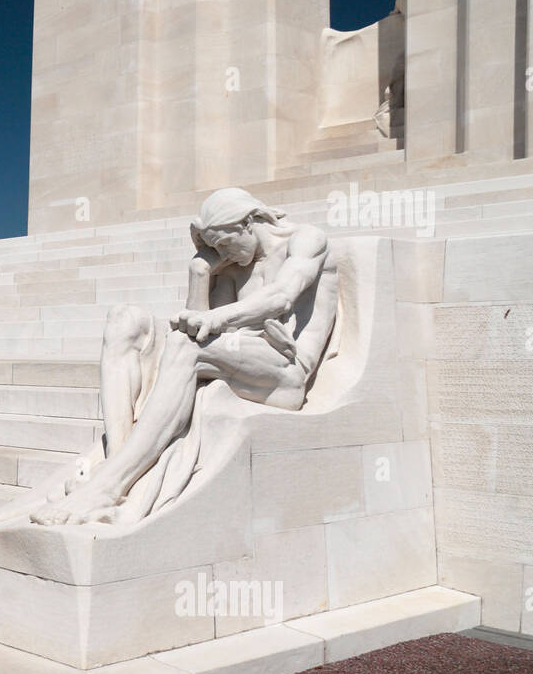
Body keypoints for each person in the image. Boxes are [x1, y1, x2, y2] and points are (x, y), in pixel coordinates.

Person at [32, 188, 338, 525]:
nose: (222, 253)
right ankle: (120, 460)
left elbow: (282, 297)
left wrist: (217, 318)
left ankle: (109, 485)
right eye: (215, 247)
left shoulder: (307, 239)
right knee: (126, 320)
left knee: (186, 348)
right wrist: (200, 273)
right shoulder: (235, 265)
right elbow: (197, 325)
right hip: (240, 360)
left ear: (250, 222)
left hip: (284, 373)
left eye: (224, 243)